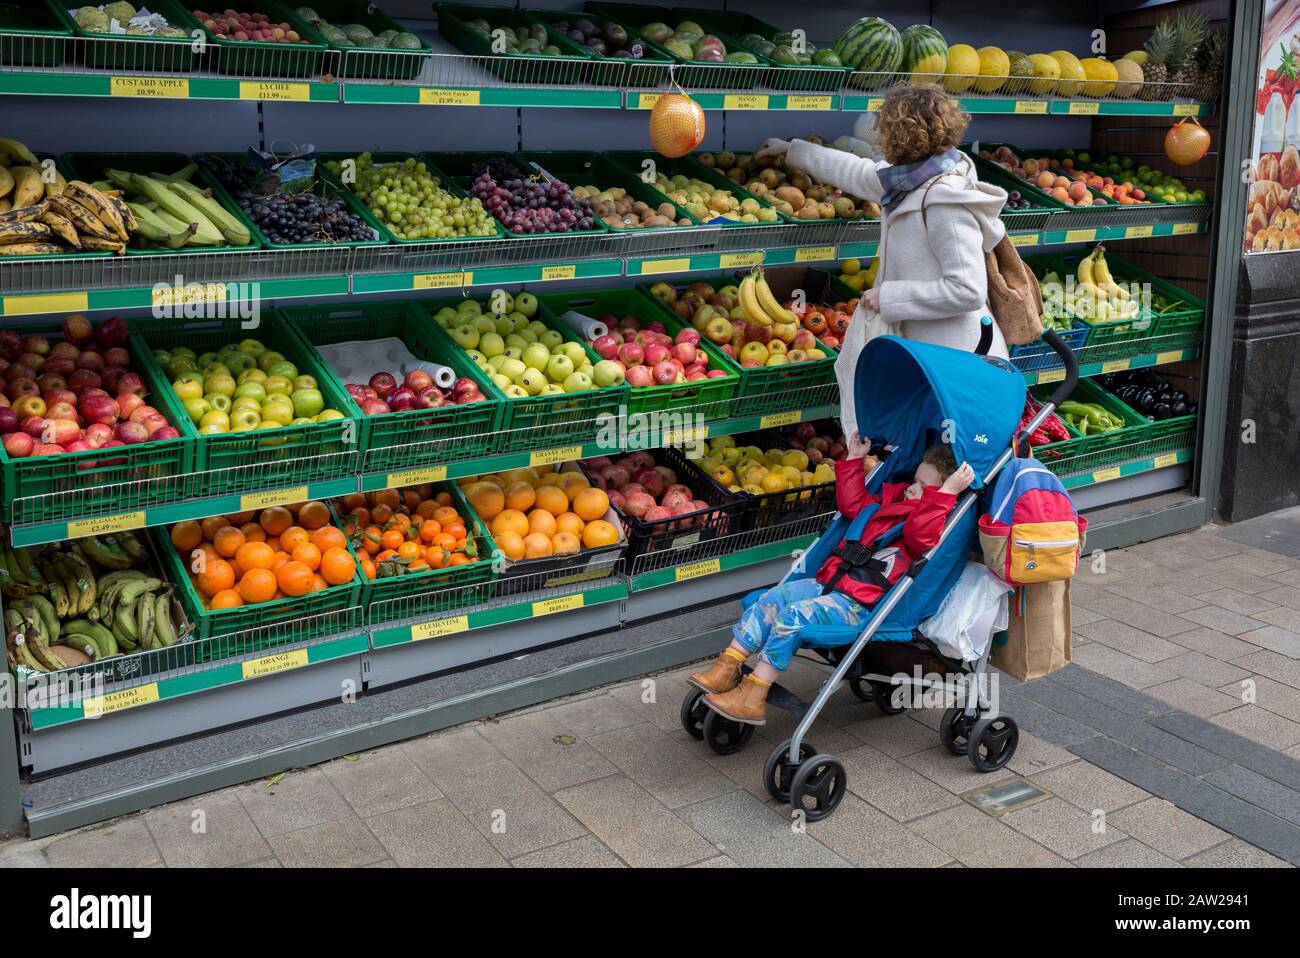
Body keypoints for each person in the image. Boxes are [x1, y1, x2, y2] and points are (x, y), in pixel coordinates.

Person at [693, 436, 975, 725]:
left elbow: (919, 537)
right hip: (830, 583)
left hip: (858, 606)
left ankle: (753, 695)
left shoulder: (932, 521)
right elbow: (855, 507)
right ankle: (727, 666)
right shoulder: (895, 498)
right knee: (774, 598)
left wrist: (944, 495)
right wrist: (854, 459)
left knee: (793, 616)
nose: (913, 489)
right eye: (916, 481)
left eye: (924, 488)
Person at [754, 84, 1009, 358]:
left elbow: (968, 290)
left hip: (956, 357)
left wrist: (889, 297)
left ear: (903, 136)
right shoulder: (910, 178)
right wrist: (791, 149)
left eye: (885, 130)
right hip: (922, 348)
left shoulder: (946, 202)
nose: (880, 137)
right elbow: (856, 171)